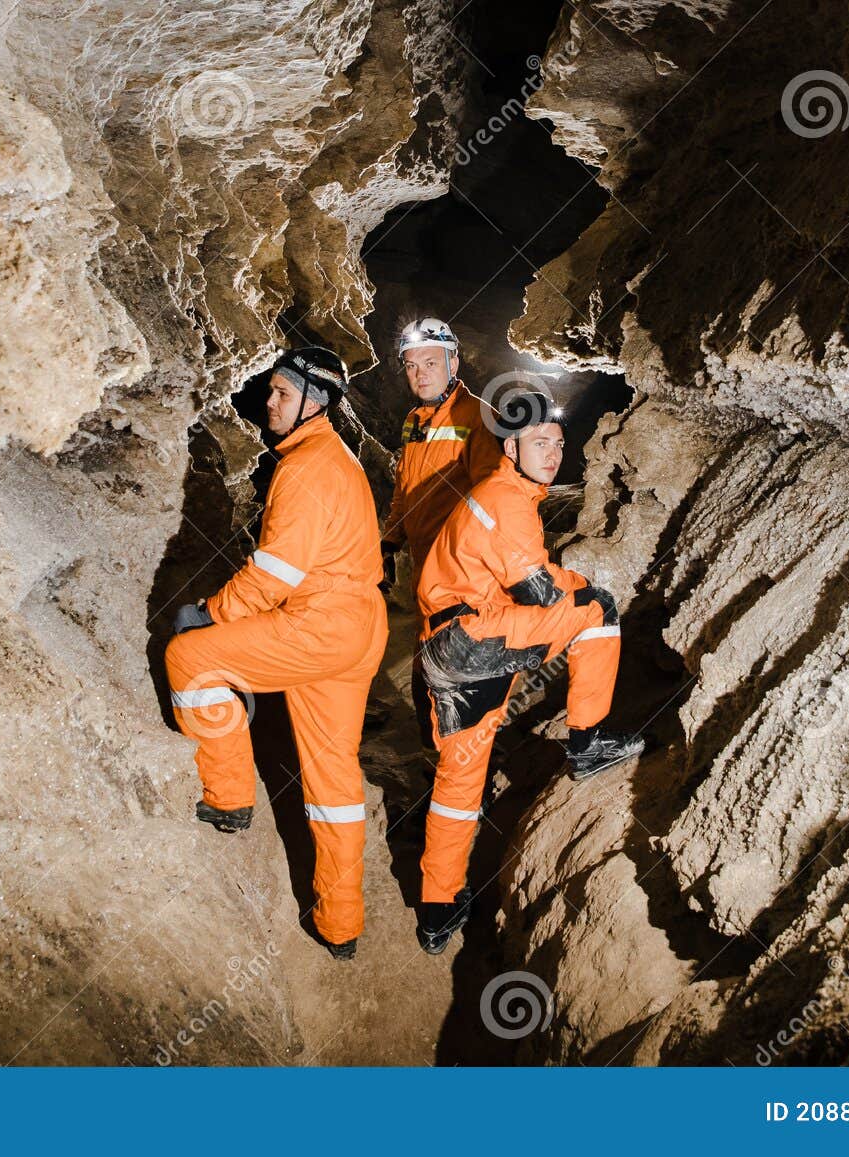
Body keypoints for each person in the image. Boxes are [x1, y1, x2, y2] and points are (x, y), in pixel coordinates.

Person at [165, 346, 388, 961]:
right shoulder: (336, 459)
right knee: (332, 777)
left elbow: (272, 574)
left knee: (190, 660)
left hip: (322, 623)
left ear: (315, 403)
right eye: (271, 390)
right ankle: (341, 926)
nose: (271, 402)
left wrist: (209, 614)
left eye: (283, 394)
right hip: (360, 628)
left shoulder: (308, 465)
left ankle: (230, 797)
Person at [411, 389, 645, 953]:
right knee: (599, 610)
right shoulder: (505, 497)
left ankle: (437, 911)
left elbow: (524, 581)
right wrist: (580, 587)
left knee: (458, 785)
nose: (553, 452)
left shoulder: (491, 495)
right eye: (539, 441)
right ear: (510, 446)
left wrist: (561, 584)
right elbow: (540, 593)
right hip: (475, 641)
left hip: (446, 655)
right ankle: (587, 742)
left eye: (559, 443)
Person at [380, 318, 501, 754]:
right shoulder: (415, 420)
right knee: (426, 666)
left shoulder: (480, 418)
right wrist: (389, 541)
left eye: (430, 362)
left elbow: (497, 495)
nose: (420, 373)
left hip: (461, 572)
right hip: (424, 566)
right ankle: (437, 758)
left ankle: (467, 772)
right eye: (411, 366)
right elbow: (405, 484)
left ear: (454, 363)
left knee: (455, 669)